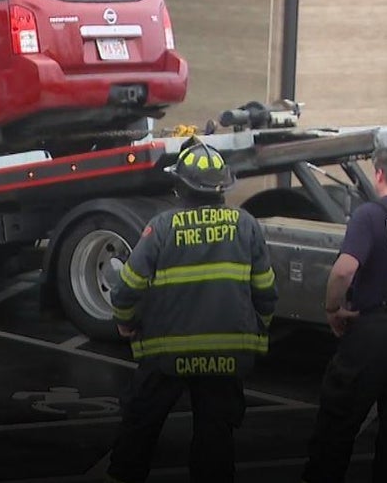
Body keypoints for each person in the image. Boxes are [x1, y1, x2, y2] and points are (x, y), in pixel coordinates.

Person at [105, 139, 278, 483]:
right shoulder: (246, 225)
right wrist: (259, 328)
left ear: (179, 185)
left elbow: (127, 288)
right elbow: (266, 292)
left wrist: (125, 324)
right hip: (226, 355)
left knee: (140, 427)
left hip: (166, 354)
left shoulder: (162, 227)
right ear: (223, 186)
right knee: (215, 440)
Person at [301, 147, 387, 483]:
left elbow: (343, 271)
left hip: (372, 330)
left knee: (338, 423)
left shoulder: (370, 215)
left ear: (378, 174)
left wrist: (332, 309)